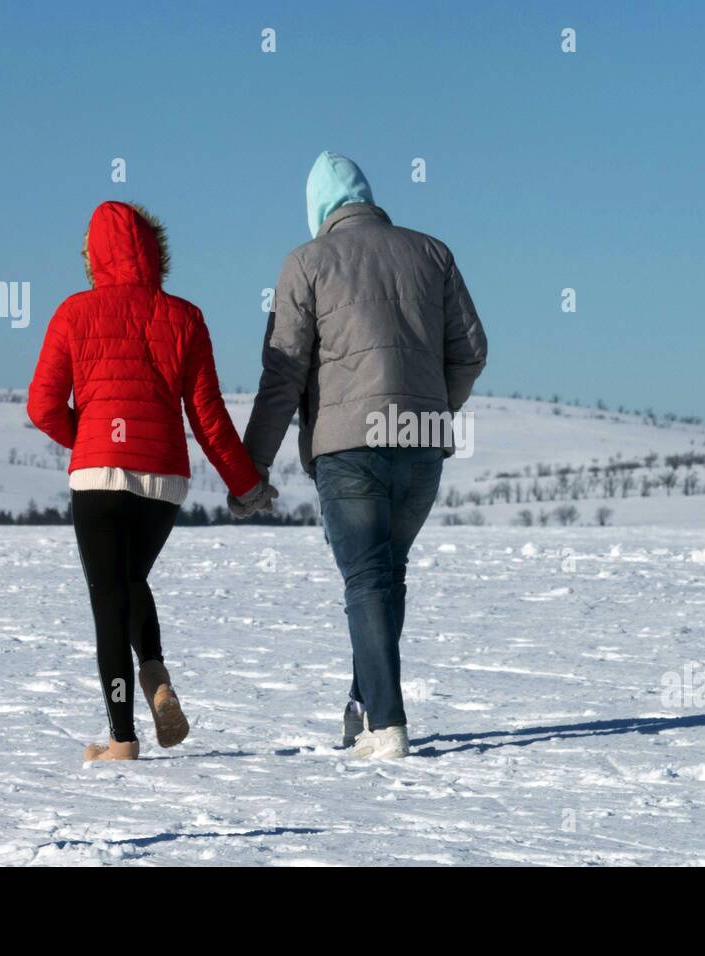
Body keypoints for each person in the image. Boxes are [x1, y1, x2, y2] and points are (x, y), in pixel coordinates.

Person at [243, 152, 487, 759]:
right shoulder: (432, 253)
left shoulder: (306, 263)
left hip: (349, 446)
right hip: (420, 442)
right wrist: (433, 407)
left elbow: (283, 372)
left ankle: (387, 721)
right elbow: (472, 350)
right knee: (385, 575)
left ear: (317, 210)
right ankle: (361, 706)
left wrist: (252, 463)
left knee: (369, 579)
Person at [28, 201, 277, 763]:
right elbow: (208, 415)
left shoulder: (73, 313)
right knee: (129, 580)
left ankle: (122, 738)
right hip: (163, 482)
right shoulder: (185, 317)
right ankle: (157, 679)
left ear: (92, 257)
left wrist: (91, 438)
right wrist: (246, 484)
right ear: (154, 251)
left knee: (110, 599)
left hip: (97, 476)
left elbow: (42, 406)